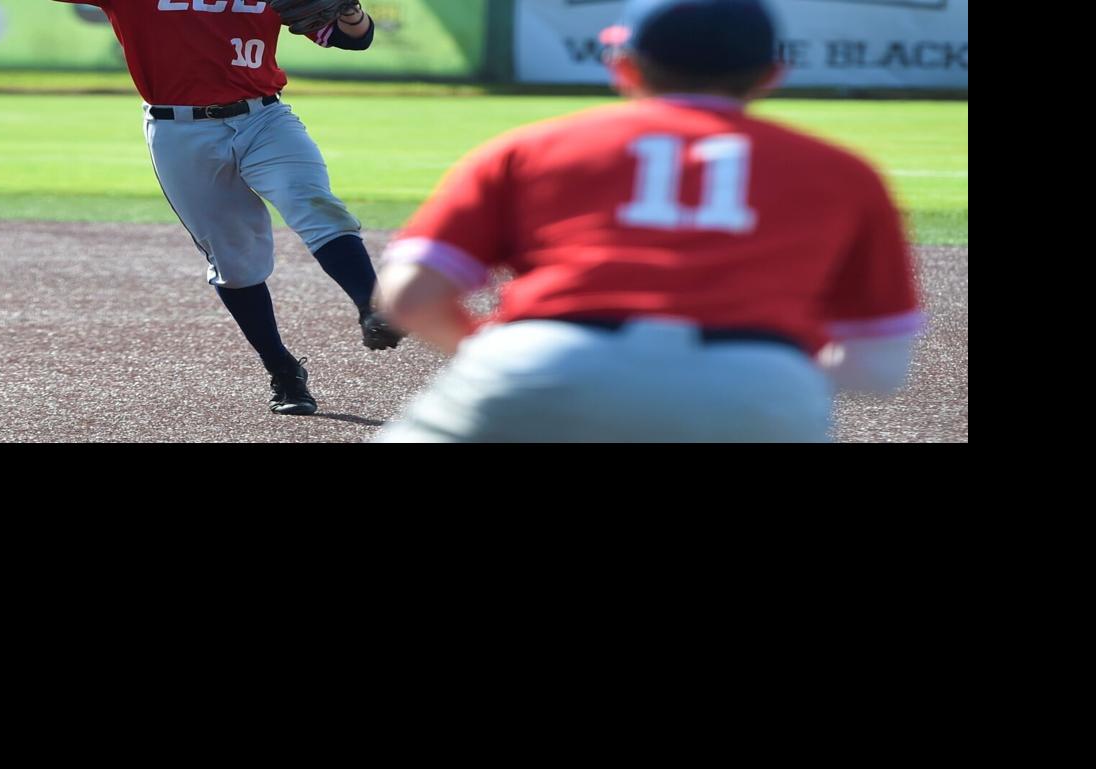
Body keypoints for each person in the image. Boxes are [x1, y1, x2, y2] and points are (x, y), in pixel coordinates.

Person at [372, 0, 924, 442]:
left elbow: (411, 296)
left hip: (548, 361)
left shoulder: (533, 148)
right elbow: (877, 368)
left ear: (623, 63)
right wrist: (755, 379)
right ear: (773, 72)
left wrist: (497, 356)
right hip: (756, 384)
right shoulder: (844, 172)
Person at [56, 0, 404, 416]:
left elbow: (354, 38)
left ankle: (372, 309)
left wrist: (349, 11)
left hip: (265, 119)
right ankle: (281, 368)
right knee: (235, 265)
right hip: (178, 132)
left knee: (313, 204)